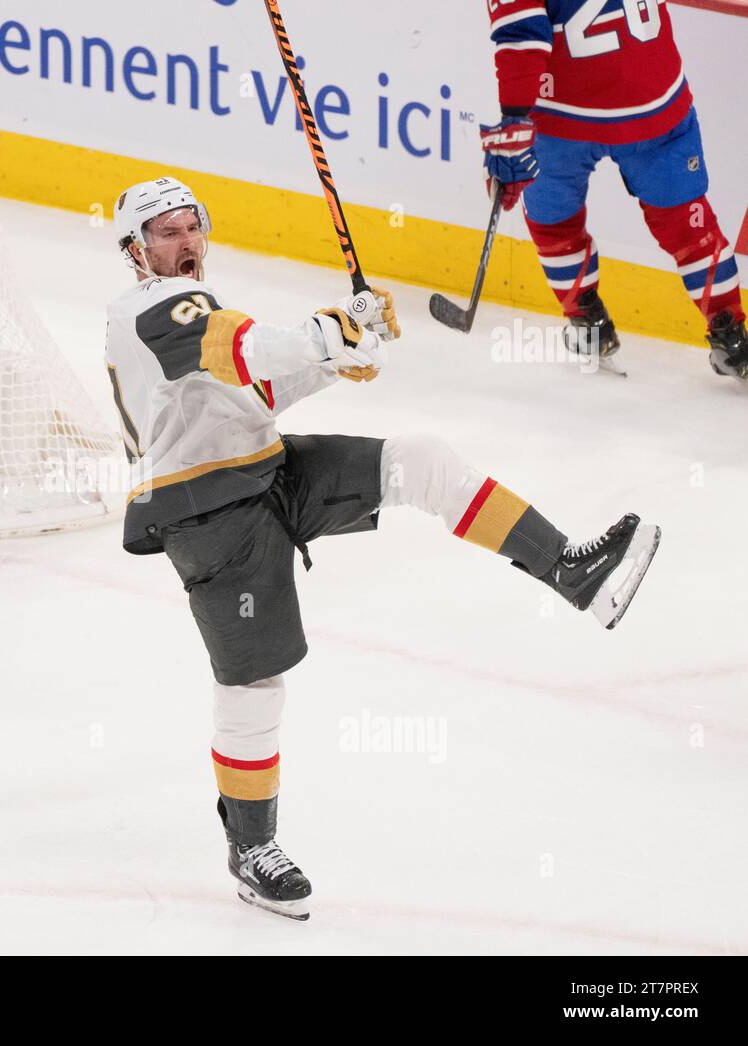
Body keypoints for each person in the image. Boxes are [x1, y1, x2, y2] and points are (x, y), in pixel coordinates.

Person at [104, 176, 661, 921]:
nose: (185, 243)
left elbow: (256, 391)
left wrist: (340, 354)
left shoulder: (195, 308)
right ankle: (250, 846)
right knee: (255, 681)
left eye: (190, 227)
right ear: (135, 251)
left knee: (419, 458)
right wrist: (321, 334)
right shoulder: (147, 309)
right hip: (205, 509)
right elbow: (239, 345)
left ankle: (571, 570)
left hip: (270, 471)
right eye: (165, 233)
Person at [482, 0, 746, 377]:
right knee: (689, 229)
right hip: (654, 102)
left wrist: (513, 122)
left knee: (553, 221)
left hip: (564, 116)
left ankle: (588, 322)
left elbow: (521, 39)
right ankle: (730, 335)